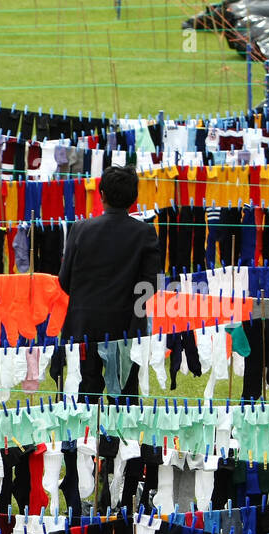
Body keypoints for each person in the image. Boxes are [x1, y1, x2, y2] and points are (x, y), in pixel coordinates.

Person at [57, 165, 161, 401]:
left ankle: (82, 438)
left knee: (86, 394)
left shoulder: (80, 229)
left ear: (101, 194)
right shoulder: (145, 233)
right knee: (124, 397)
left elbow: (64, 281)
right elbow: (151, 286)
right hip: (126, 326)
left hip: (84, 325)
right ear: (134, 198)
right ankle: (111, 440)